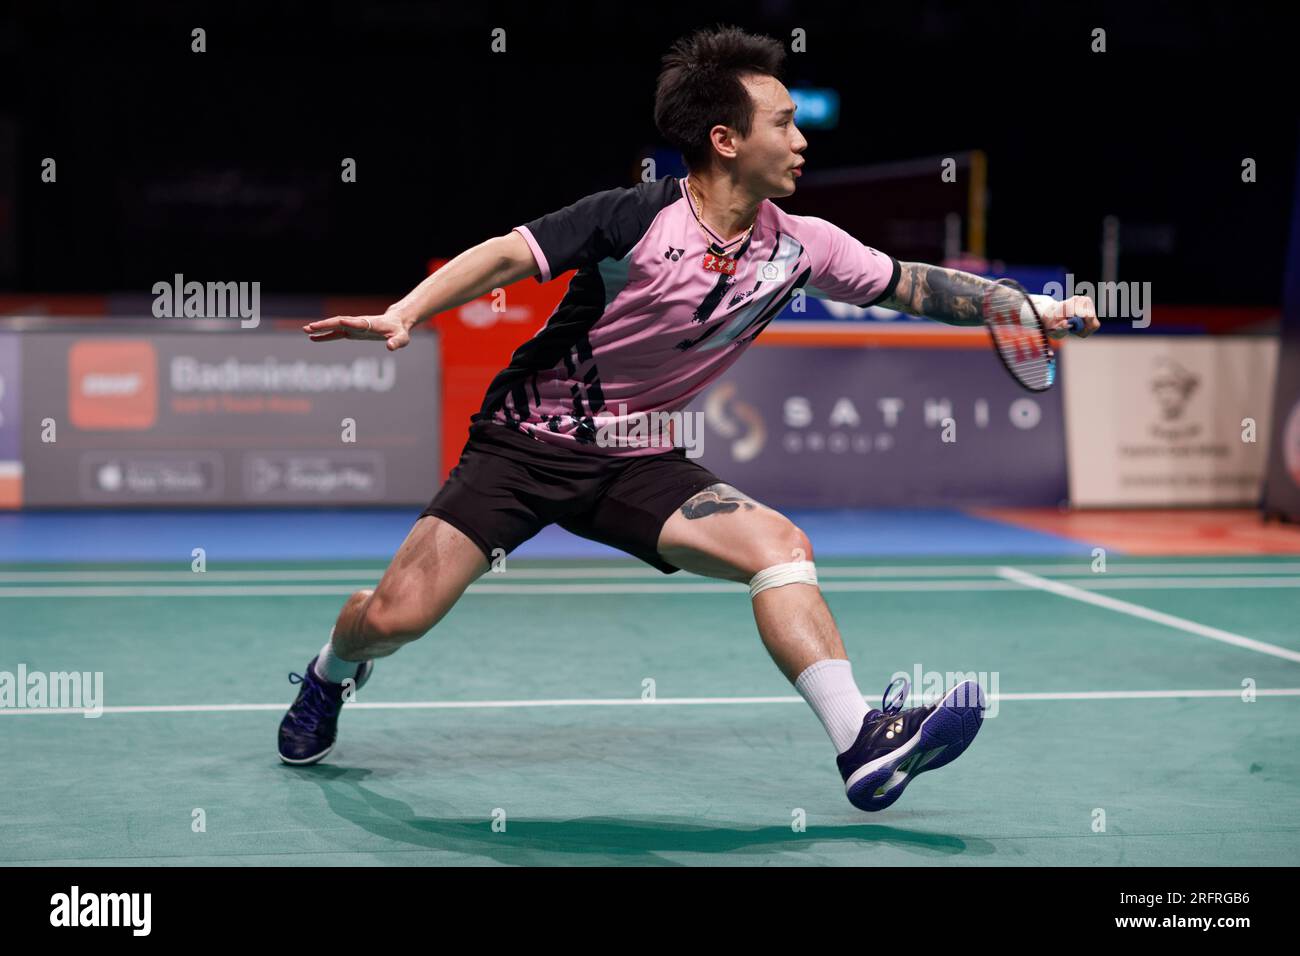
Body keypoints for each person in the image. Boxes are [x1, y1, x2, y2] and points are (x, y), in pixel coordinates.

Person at [279, 24, 1098, 811]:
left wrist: (1026, 306)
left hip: (640, 458)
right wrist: (407, 312)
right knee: (395, 617)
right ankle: (328, 672)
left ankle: (861, 742)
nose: (802, 138)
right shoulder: (633, 218)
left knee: (780, 548)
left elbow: (913, 285)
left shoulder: (803, 244)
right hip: (526, 447)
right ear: (726, 140)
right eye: (783, 123)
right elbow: (504, 253)